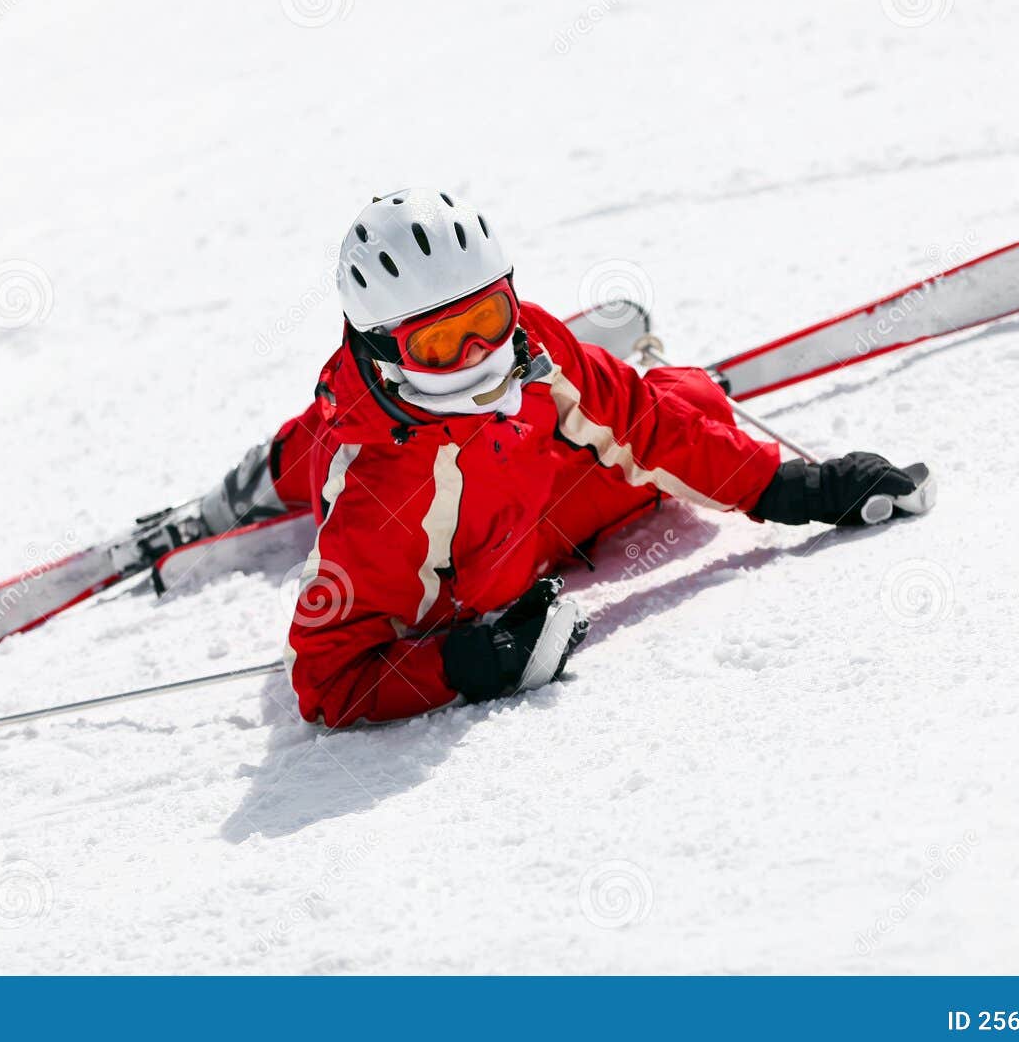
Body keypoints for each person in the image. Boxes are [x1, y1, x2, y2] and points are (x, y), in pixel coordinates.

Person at [184, 189, 922, 727]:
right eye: (441, 344)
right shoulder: (375, 497)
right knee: (324, 443)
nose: (480, 355)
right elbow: (325, 680)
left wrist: (797, 488)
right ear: (387, 352)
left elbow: (640, 424)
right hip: (456, 583)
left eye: (486, 319)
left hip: (527, 517)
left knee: (688, 406)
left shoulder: (530, 341)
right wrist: (468, 664)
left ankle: (685, 394)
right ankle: (263, 473)